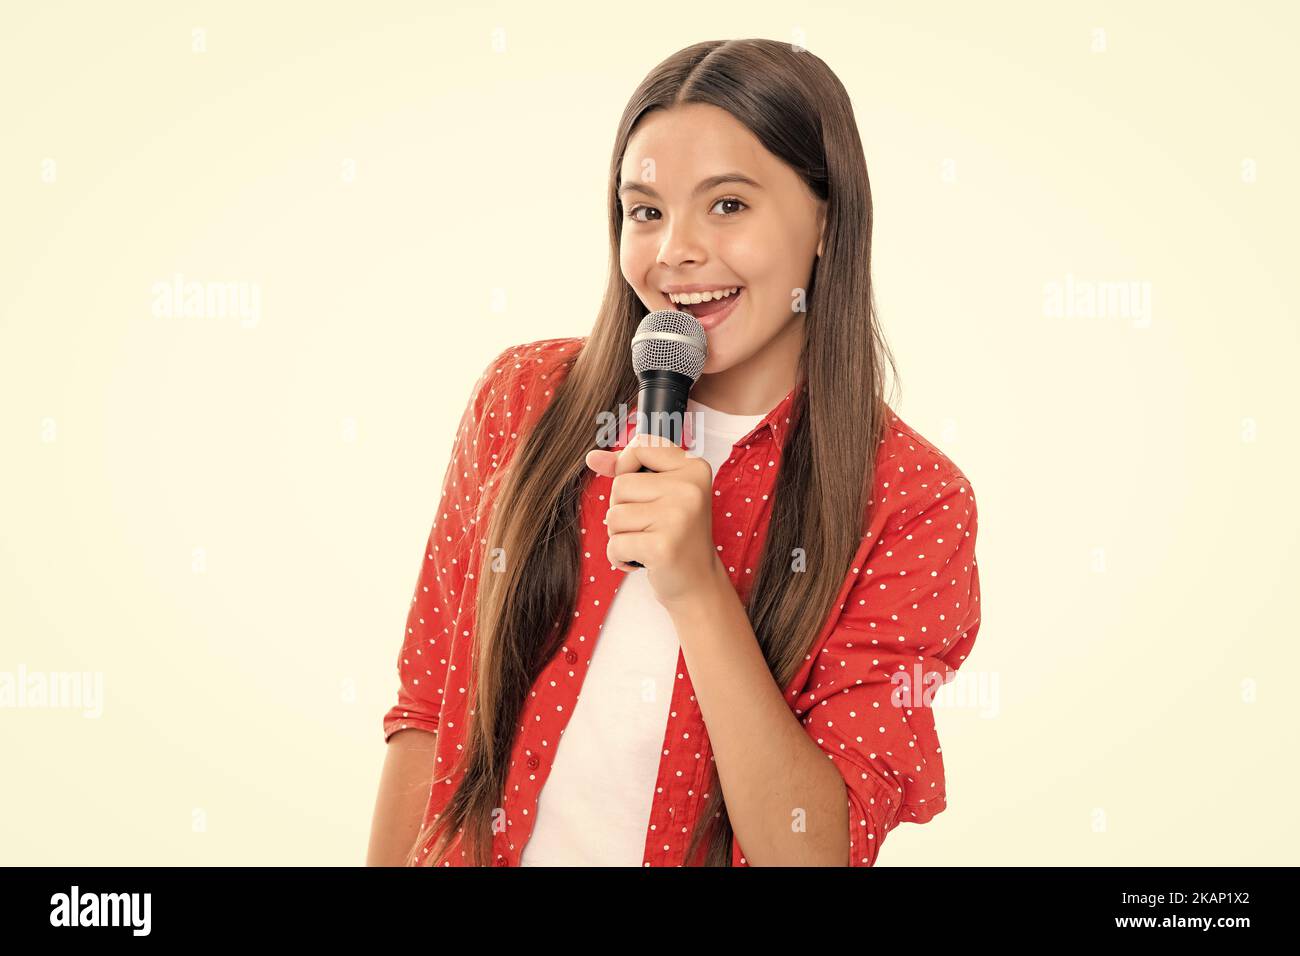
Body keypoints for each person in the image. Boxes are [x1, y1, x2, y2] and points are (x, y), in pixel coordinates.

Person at [367, 38, 981, 868]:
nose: (673, 254)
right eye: (646, 210)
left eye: (728, 205)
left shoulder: (910, 500)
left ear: (827, 222)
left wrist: (697, 589)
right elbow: (428, 711)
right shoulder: (521, 401)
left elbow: (814, 851)